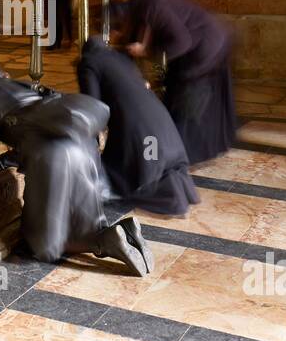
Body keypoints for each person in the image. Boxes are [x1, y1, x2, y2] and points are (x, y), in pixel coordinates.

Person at [0, 60, 153, 276]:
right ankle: (125, 231)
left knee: (40, 244)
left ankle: (104, 242)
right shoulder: (23, 86)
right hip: (84, 146)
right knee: (84, 221)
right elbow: (34, 123)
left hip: (54, 156)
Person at [78, 36, 199, 216]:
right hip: (159, 120)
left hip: (138, 128)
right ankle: (177, 191)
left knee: (138, 171)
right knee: (154, 158)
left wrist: (89, 136)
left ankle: (171, 199)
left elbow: (93, 105)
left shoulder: (89, 62)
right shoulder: (119, 57)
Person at [111, 0, 237, 165]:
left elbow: (182, 41)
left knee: (185, 103)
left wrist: (146, 52)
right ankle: (171, 152)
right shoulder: (138, 11)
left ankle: (178, 157)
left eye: (116, 29)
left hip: (204, 48)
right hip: (193, 49)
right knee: (175, 96)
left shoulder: (152, 8)